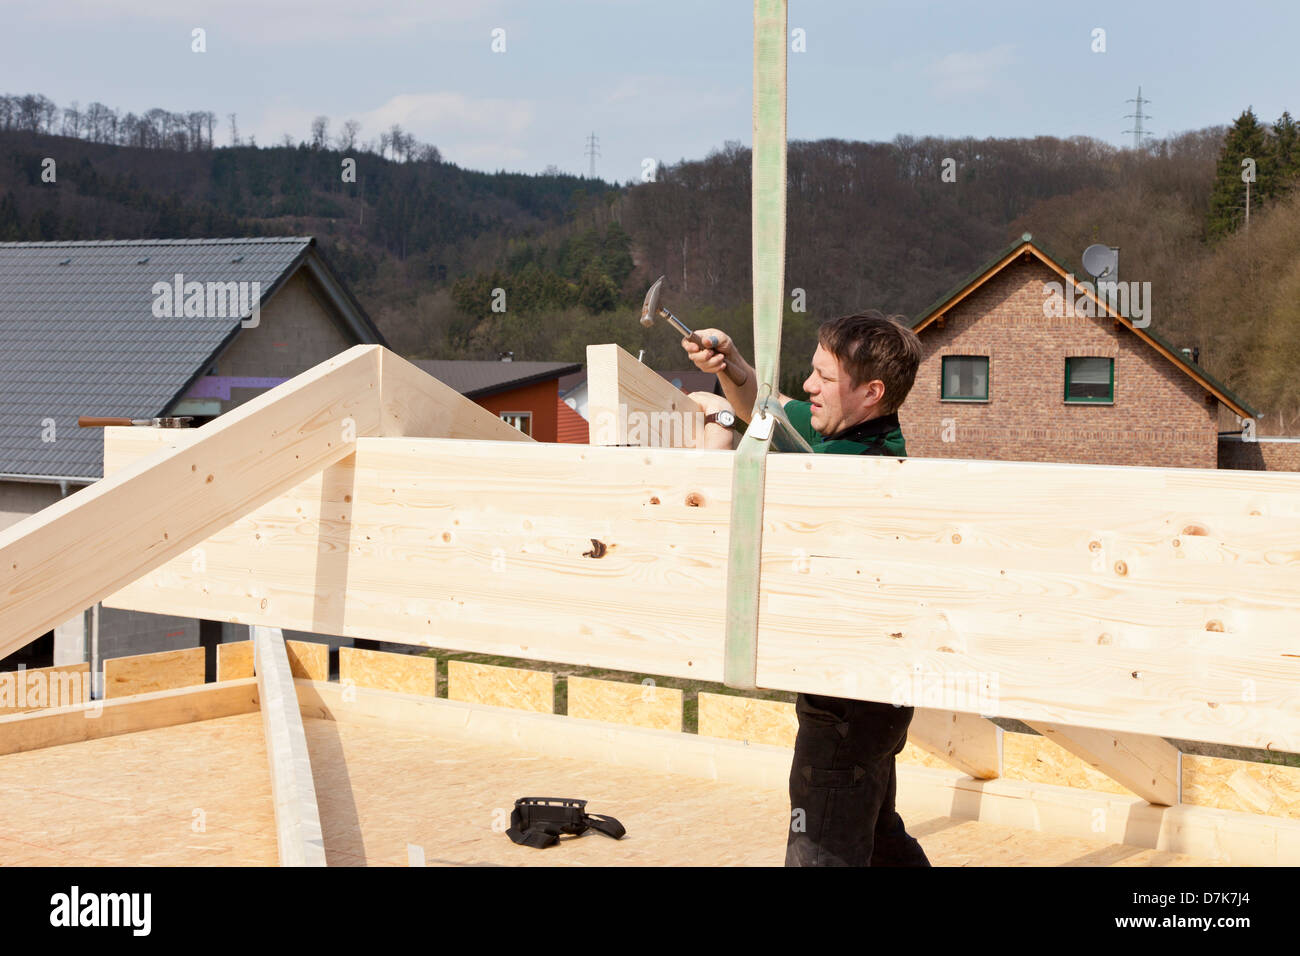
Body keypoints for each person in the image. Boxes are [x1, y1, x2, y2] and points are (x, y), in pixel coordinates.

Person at [681, 310, 931, 867]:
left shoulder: (855, 465)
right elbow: (766, 409)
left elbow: (719, 503)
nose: (808, 386)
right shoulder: (848, 434)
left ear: (872, 391)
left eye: (822, 377)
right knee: (877, 830)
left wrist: (721, 420)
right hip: (872, 696)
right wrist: (733, 366)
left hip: (848, 700)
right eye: (811, 371)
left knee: (821, 845)